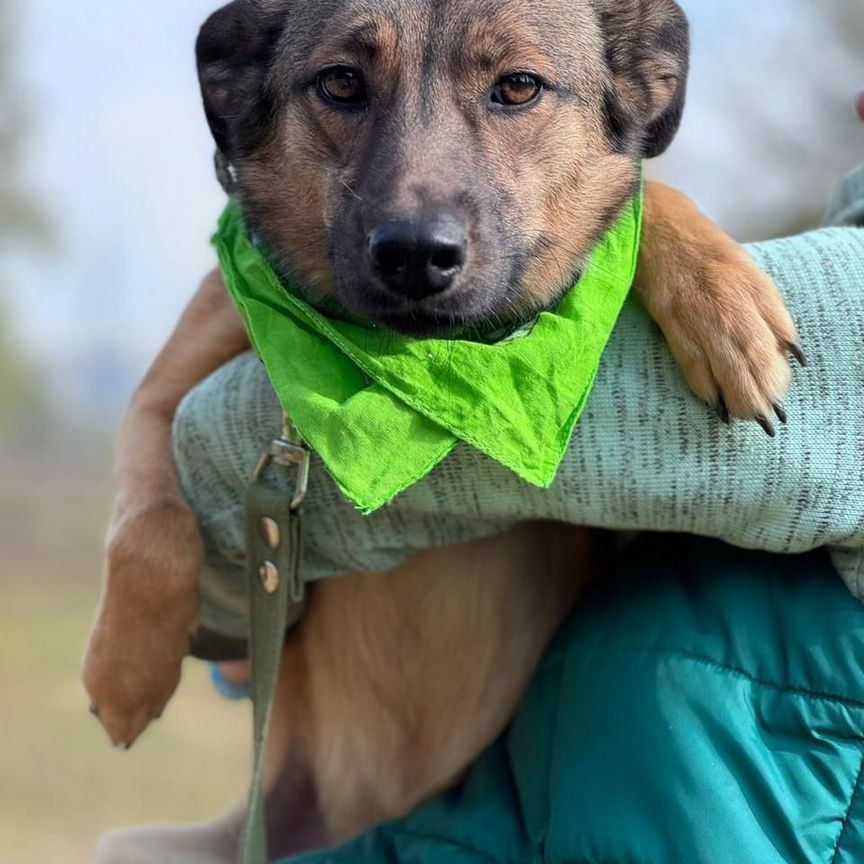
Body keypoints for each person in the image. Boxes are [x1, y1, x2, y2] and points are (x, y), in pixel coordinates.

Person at [98, 99, 864, 863]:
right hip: (337, 799)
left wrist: (658, 225)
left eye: (512, 90)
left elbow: (221, 457)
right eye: (345, 88)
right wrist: (163, 563)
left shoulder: (808, 303)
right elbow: (163, 417)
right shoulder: (272, 264)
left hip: (515, 798)